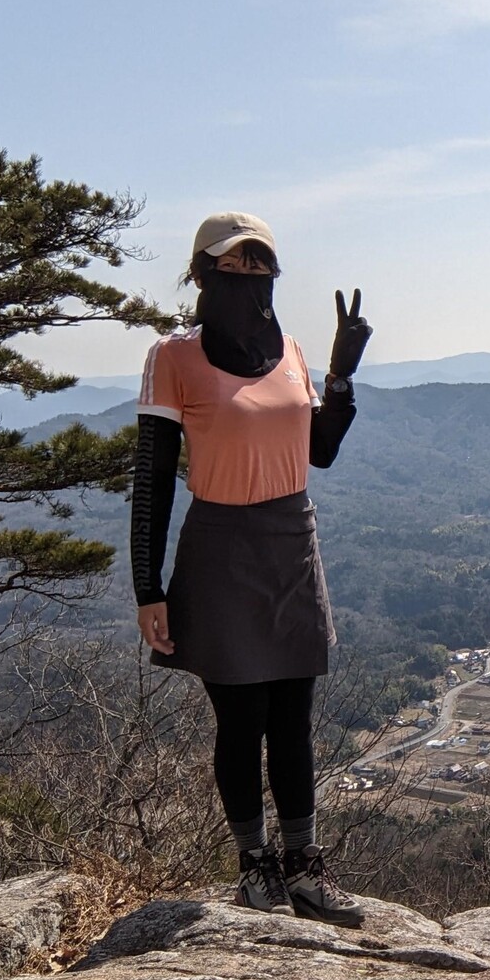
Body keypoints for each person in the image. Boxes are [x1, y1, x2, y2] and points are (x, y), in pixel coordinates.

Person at [128, 211, 372, 924]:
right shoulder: (173, 356)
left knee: (293, 719)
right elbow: (153, 478)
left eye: (259, 262)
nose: (247, 275)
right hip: (221, 547)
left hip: (292, 538)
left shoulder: (290, 349)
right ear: (202, 272)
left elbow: (319, 451)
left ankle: (304, 867)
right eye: (231, 264)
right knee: (242, 719)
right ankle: (254, 866)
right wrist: (148, 587)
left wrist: (340, 376)